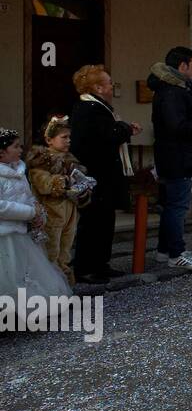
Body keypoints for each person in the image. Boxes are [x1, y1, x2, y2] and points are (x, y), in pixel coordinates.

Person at [69, 64, 140, 284]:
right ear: (98, 88)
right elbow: (106, 137)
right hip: (97, 174)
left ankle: (100, 264)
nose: (112, 86)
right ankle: (85, 267)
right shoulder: (91, 109)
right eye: (109, 82)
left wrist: (123, 128)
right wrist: (126, 129)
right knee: (93, 222)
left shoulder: (97, 107)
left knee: (104, 220)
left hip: (103, 174)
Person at [148, 47, 192, 269]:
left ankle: (164, 250)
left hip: (171, 155)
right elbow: (177, 126)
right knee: (178, 206)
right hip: (178, 156)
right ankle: (176, 253)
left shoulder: (168, 89)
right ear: (182, 66)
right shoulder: (173, 92)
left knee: (171, 205)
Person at [0, 126, 71, 303]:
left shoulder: (18, 172)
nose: (20, 150)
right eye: (15, 146)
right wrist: (30, 212)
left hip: (22, 233)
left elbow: (28, 196)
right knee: (9, 274)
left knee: (26, 271)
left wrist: (38, 213)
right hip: (5, 235)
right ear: (2, 152)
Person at [26, 115, 94, 286]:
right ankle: (50, 288)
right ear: (49, 139)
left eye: (69, 137)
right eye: (64, 137)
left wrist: (82, 189)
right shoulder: (41, 161)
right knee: (51, 252)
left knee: (65, 252)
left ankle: (64, 287)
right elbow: (44, 184)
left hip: (69, 213)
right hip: (51, 215)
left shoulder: (71, 161)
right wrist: (64, 181)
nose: (68, 141)